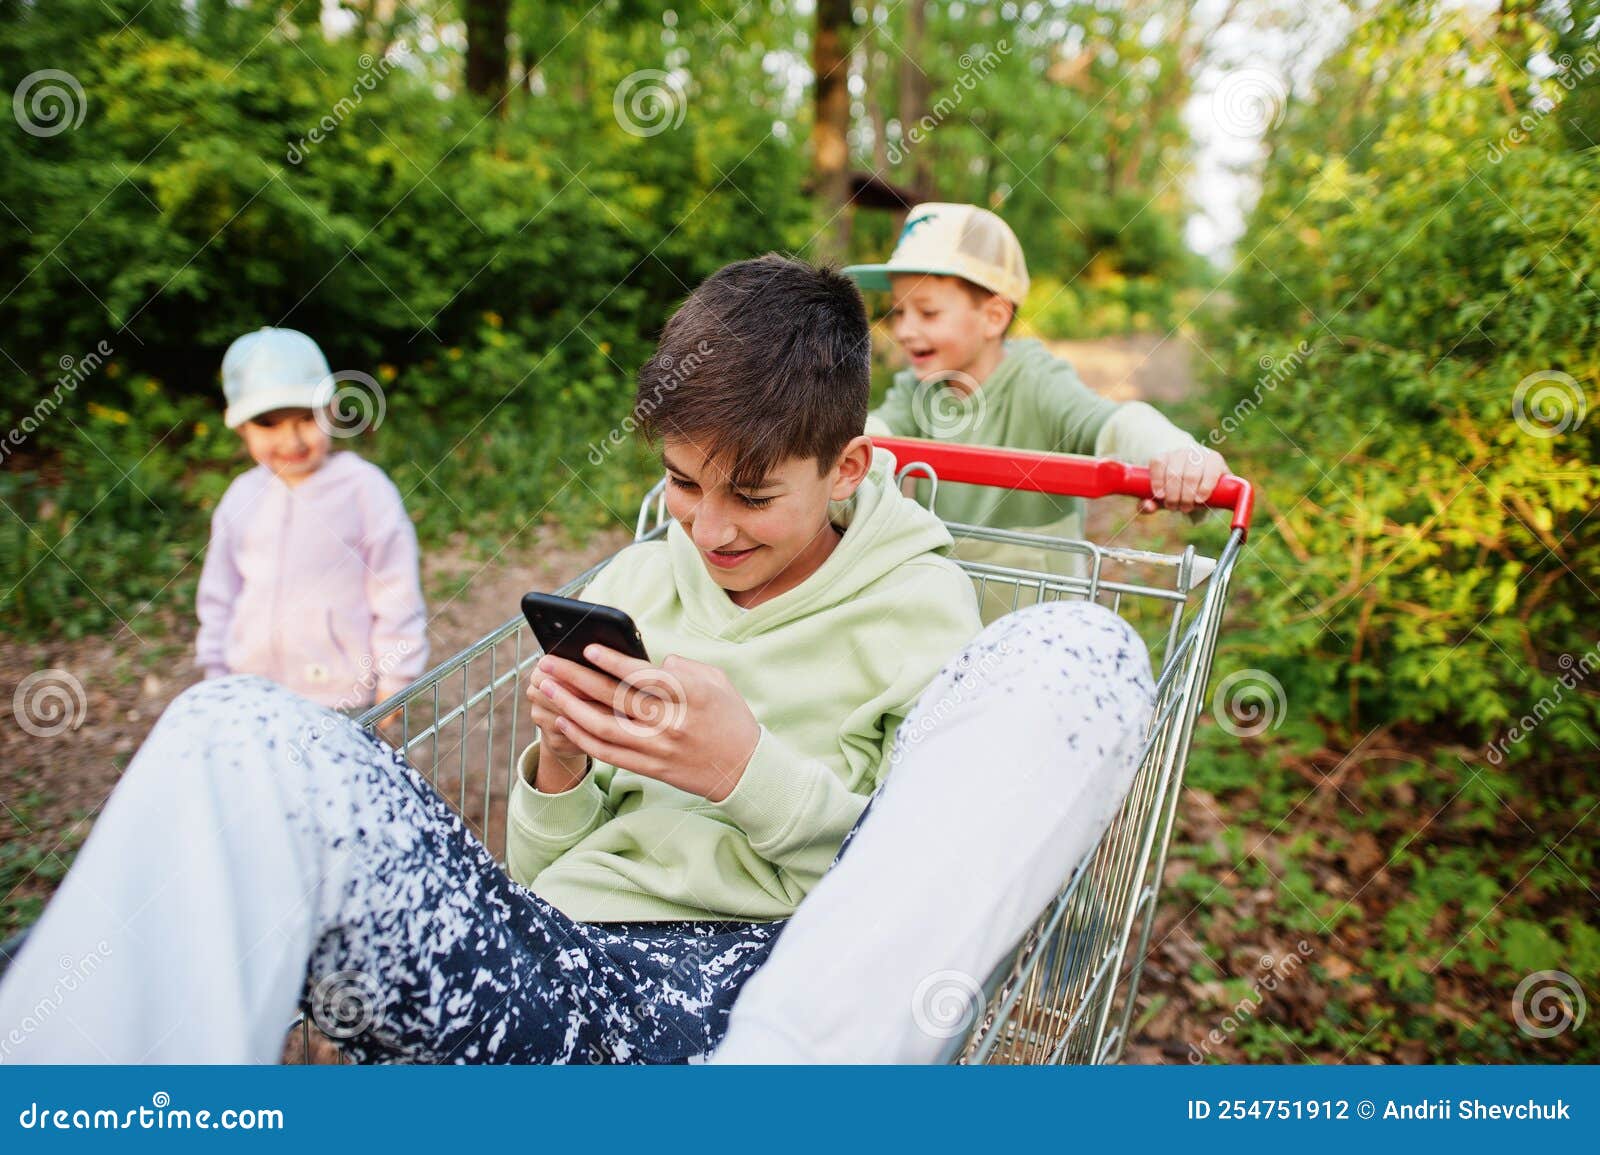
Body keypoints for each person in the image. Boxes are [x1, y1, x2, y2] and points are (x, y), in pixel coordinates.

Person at [0, 259, 1155, 1064]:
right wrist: (557, 764)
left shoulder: (920, 614)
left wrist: (740, 768)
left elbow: (917, 883)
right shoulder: (639, 582)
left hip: (780, 989)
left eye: (752, 496)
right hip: (561, 976)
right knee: (233, 730)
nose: (708, 531)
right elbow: (541, 872)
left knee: (1083, 648)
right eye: (683, 483)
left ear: (848, 467)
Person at [844, 203, 1230, 615]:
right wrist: (825, 446)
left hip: (1043, 626)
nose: (903, 329)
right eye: (898, 311)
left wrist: (1174, 453)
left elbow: (1113, 423)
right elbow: (874, 433)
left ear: (993, 317)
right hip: (951, 622)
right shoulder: (916, 390)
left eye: (928, 311)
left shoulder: (1038, 381)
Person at [195, 326, 427, 711]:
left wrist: (397, 677)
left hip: (339, 694)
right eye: (269, 424)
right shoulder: (240, 496)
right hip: (249, 691)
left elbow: (395, 590)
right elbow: (219, 594)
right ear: (240, 427)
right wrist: (217, 676)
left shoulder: (364, 488)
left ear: (333, 410)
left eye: (306, 418)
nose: (292, 442)